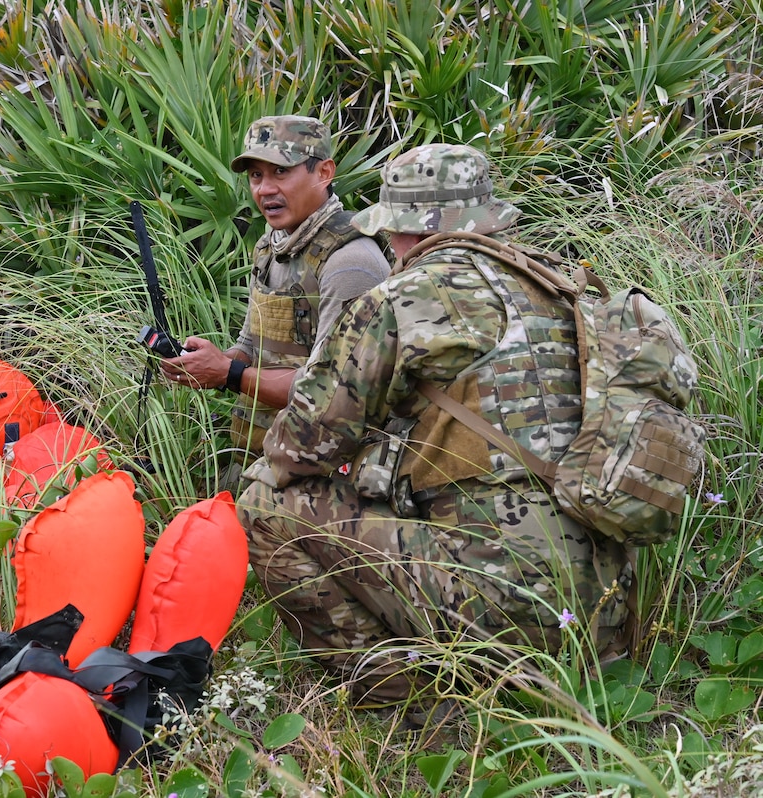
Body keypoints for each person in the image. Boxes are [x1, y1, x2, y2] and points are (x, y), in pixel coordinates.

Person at [236, 143, 633, 708]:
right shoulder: (559, 287)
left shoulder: (400, 300)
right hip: (603, 606)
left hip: (507, 612)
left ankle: (405, 690)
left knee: (263, 504)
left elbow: (304, 442)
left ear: (409, 232)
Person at [159, 115, 390, 454]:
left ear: (324, 172)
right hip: (268, 446)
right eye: (256, 175)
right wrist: (206, 364)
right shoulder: (272, 246)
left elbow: (331, 392)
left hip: (329, 468)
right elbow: (252, 345)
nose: (264, 189)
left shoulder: (349, 263)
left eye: (281, 171)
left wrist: (228, 374)